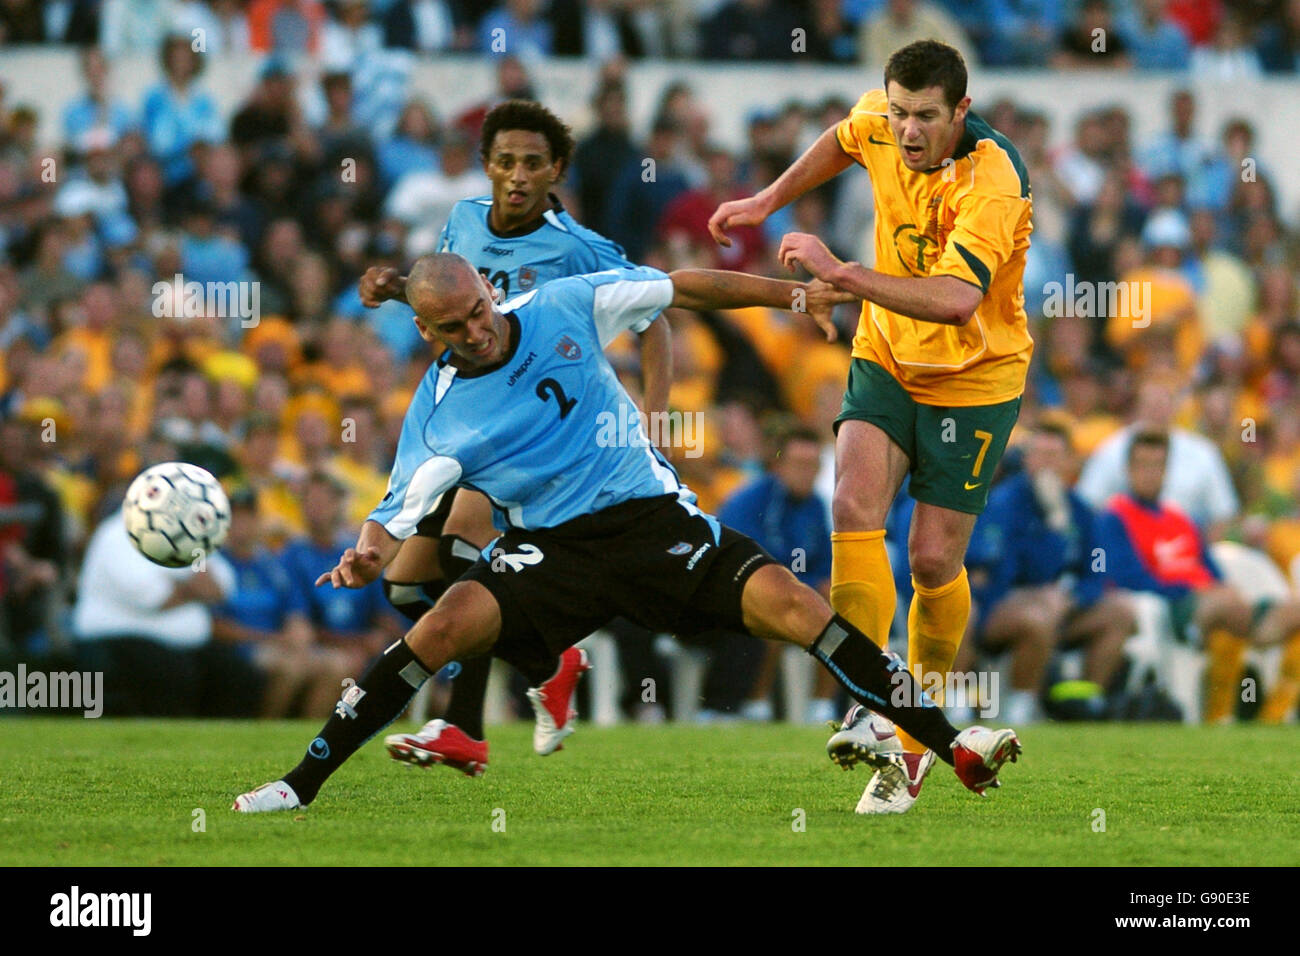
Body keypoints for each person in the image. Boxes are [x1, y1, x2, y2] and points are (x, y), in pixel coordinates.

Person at [232, 253, 1022, 813]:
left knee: (800, 607)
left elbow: (684, 289)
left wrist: (789, 297)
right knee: (437, 627)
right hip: (554, 553)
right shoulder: (439, 415)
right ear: (427, 331)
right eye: (452, 327)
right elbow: (396, 505)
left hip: (654, 524)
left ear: (487, 291)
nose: (476, 331)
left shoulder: (560, 306)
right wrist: (367, 551)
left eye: (477, 309)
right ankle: (298, 785)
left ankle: (955, 748)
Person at [708, 40, 1034, 814]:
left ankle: (915, 746)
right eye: (900, 112)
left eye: (926, 116)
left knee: (928, 559)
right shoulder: (879, 123)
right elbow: (842, 138)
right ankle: (867, 703)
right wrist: (765, 202)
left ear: (960, 111)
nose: (908, 130)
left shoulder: (994, 179)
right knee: (852, 509)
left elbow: (957, 299)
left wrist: (841, 272)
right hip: (885, 354)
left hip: (974, 378)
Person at [357, 99, 672, 778]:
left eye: (534, 163)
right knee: (407, 585)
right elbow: (441, 295)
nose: (518, 175)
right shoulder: (463, 221)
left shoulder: (579, 246)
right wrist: (391, 286)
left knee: (468, 541)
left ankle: (464, 726)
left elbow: (657, 313)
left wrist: (653, 415)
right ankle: (548, 661)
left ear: (556, 169)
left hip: (537, 440)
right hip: (462, 423)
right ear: (487, 166)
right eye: (505, 162)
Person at [1094, 430, 1300, 724]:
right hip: (1171, 608)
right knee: (1224, 603)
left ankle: (1274, 712)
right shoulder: (1114, 517)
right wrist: (1191, 590)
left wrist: (1216, 589)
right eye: (1143, 465)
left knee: (1288, 610)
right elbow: (1123, 578)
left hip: (1214, 605)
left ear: (1166, 471)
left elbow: (1211, 569)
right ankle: (1259, 627)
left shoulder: (1180, 518)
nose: (1151, 473)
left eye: (1158, 466)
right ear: (1129, 469)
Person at [966, 423, 1135, 724]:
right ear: (1027, 458)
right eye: (1040, 454)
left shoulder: (1081, 510)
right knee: (1038, 616)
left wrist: (1076, 597)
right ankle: (1022, 705)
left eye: (1055, 455)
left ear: (1069, 462)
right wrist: (1054, 528)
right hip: (1005, 609)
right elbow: (996, 568)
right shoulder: (1003, 503)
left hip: (1063, 608)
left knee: (1121, 612)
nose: (1047, 463)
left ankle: (1084, 701)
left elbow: (1097, 568)